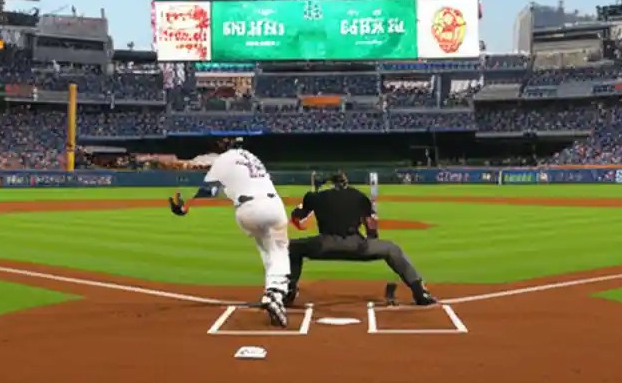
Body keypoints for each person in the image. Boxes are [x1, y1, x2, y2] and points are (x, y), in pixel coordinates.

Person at [169, 139, 291, 328]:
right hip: (271, 205)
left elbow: (210, 189)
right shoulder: (253, 158)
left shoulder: (224, 160)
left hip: (245, 211)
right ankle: (275, 293)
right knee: (279, 251)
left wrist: (185, 206)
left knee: (268, 252)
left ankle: (274, 292)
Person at [284, 172, 435, 307]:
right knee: (392, 249)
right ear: (345, 182)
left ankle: (289, 290)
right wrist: (371, 241)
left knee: (293, 248)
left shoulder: (315, 197)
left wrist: (310, 198)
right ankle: (419, 292)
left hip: (324, 245)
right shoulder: (359, 196)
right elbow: (371, 227)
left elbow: (297, 217)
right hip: (356, 245)